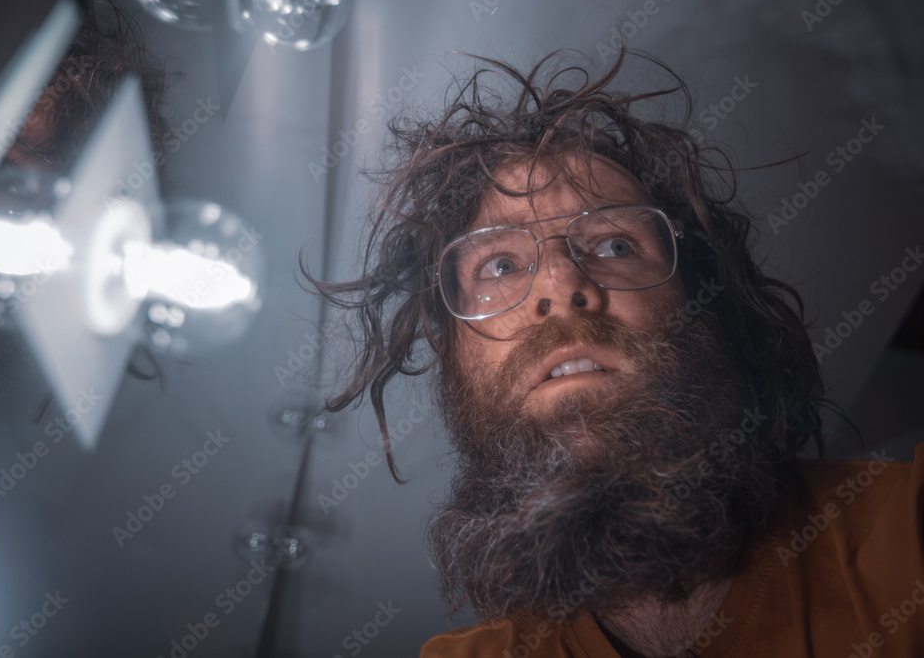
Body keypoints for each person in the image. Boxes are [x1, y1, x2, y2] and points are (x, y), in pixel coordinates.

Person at [306, 50, 924, 657]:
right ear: (453, 355)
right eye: (499, 264)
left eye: (614, 246)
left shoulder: (907, 529)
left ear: (702, 302)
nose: (560, 286)